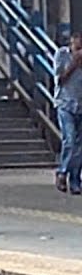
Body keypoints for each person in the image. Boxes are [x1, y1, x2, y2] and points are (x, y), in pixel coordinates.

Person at [53, 32, 82, 194]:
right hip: (65, 103)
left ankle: (75, 179)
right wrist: (74, 64)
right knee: (69, 140)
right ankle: (62, 172)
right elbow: (59, 79)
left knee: (79, 146)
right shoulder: (62, 55)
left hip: (81, 105)